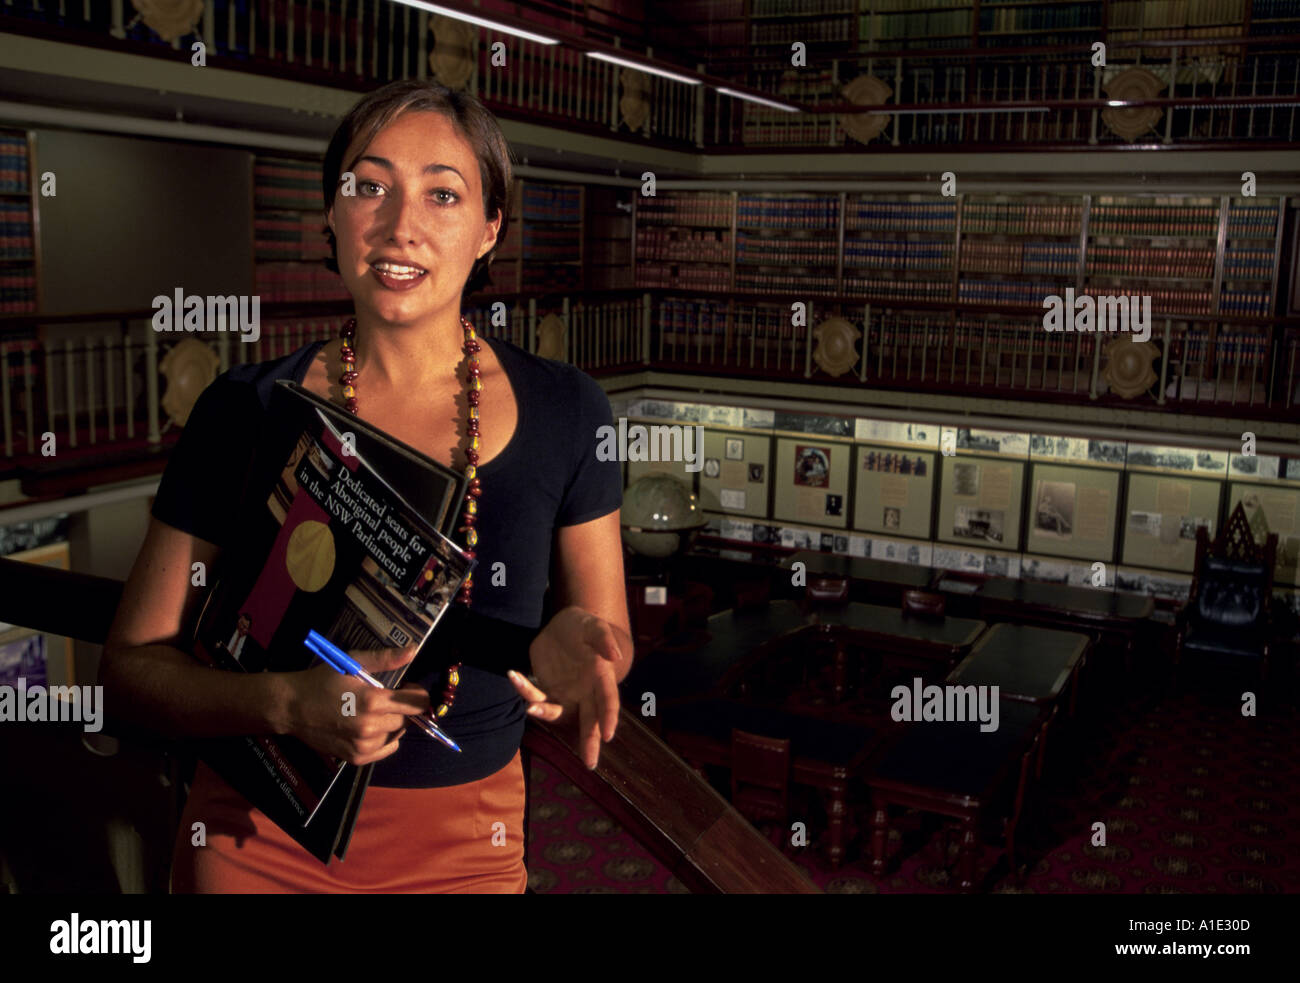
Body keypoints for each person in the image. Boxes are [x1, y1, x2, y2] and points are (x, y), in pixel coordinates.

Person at [99, 79, 633, 893]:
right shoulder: (242, 410)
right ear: (331, 215)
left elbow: (608, 636)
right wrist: (284, 705)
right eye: (369, 186)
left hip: (466, 842)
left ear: (490, 228)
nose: (400, 226)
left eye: (443, 195)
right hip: (259, 828)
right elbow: (131, 670)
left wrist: (573, 648)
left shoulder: (568, 409)